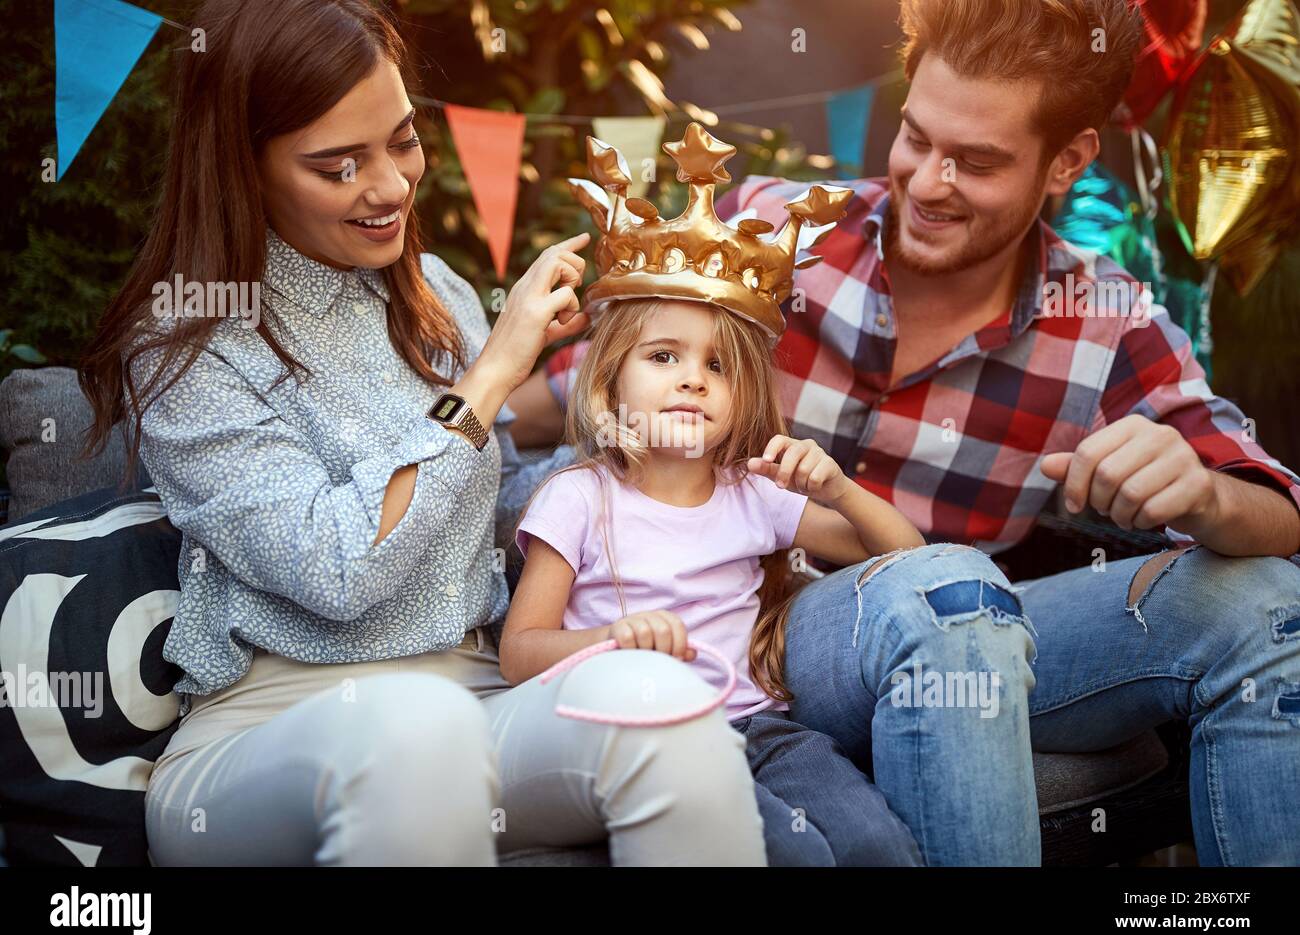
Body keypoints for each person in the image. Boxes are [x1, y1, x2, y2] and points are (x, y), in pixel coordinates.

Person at [514, 0, 1300, 866]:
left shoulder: (1105, 318)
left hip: (980, 640)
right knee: (946, 590)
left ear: (1067, 161)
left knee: (1267, 608)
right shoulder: (773, 234)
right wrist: (466, 401)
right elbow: (578, 391)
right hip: (769, 627)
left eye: (976, 162)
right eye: (916, 137)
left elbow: (1275, 510)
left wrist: (1204, 490)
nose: (928, 181)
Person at [78, 0, 765, 866]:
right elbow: (335, 569)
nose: (394, 185)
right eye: (339, 166)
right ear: (243, 168)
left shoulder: (429, 289)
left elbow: (504, 506)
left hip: (481, 695)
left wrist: (668, 468)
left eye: (402, 140)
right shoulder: (186, 340)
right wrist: (485, 380)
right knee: (415, 728)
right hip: (269, 730)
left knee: (660, 702)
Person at [502, 293, 925, 866]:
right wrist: (609, 641)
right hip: (662, 741)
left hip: (766, 731)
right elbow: (519, 653)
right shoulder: (577, 496)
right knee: (792, 852)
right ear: (610, 381)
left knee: (877, 846)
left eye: (718, 366)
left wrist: (841, 492)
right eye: (663, 357)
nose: (694, 380)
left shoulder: (755, 494)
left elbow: (910, 556)